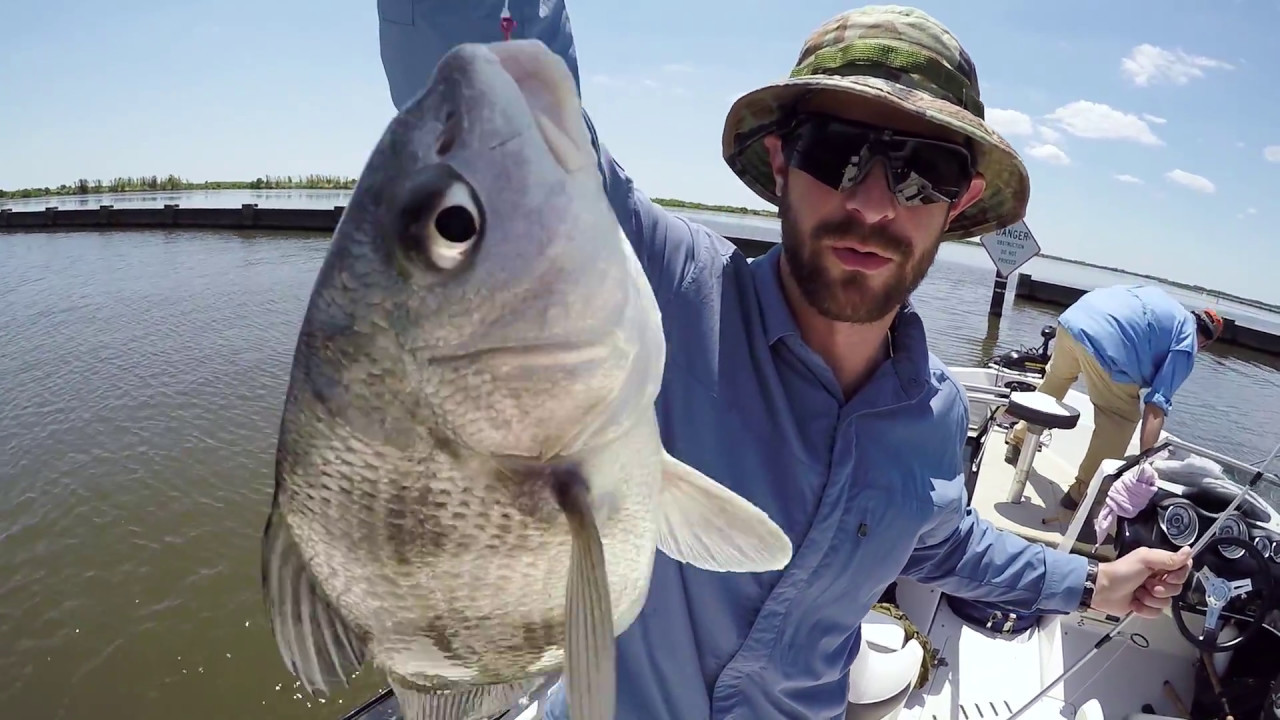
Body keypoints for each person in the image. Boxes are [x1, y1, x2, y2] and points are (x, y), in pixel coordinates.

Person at [377, 4, 1194, 718]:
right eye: (836, 150)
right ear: (779, 163)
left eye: (924, 171)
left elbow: (941, 546)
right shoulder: (654, 289)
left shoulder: (939, 413)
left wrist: (1093, 584)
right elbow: (496, 95)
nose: (874, 202)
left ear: (961, 202)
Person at [1006, 285, 1224, 510]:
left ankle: (1018, 440)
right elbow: (1156, 405)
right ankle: (1081, 495)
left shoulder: (1165, 303)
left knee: (1057, 379)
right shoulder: (1187, 342)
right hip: (1107, 346)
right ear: (1205, 344)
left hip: (1074, 319)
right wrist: (1146, 462)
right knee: (1120, 418)